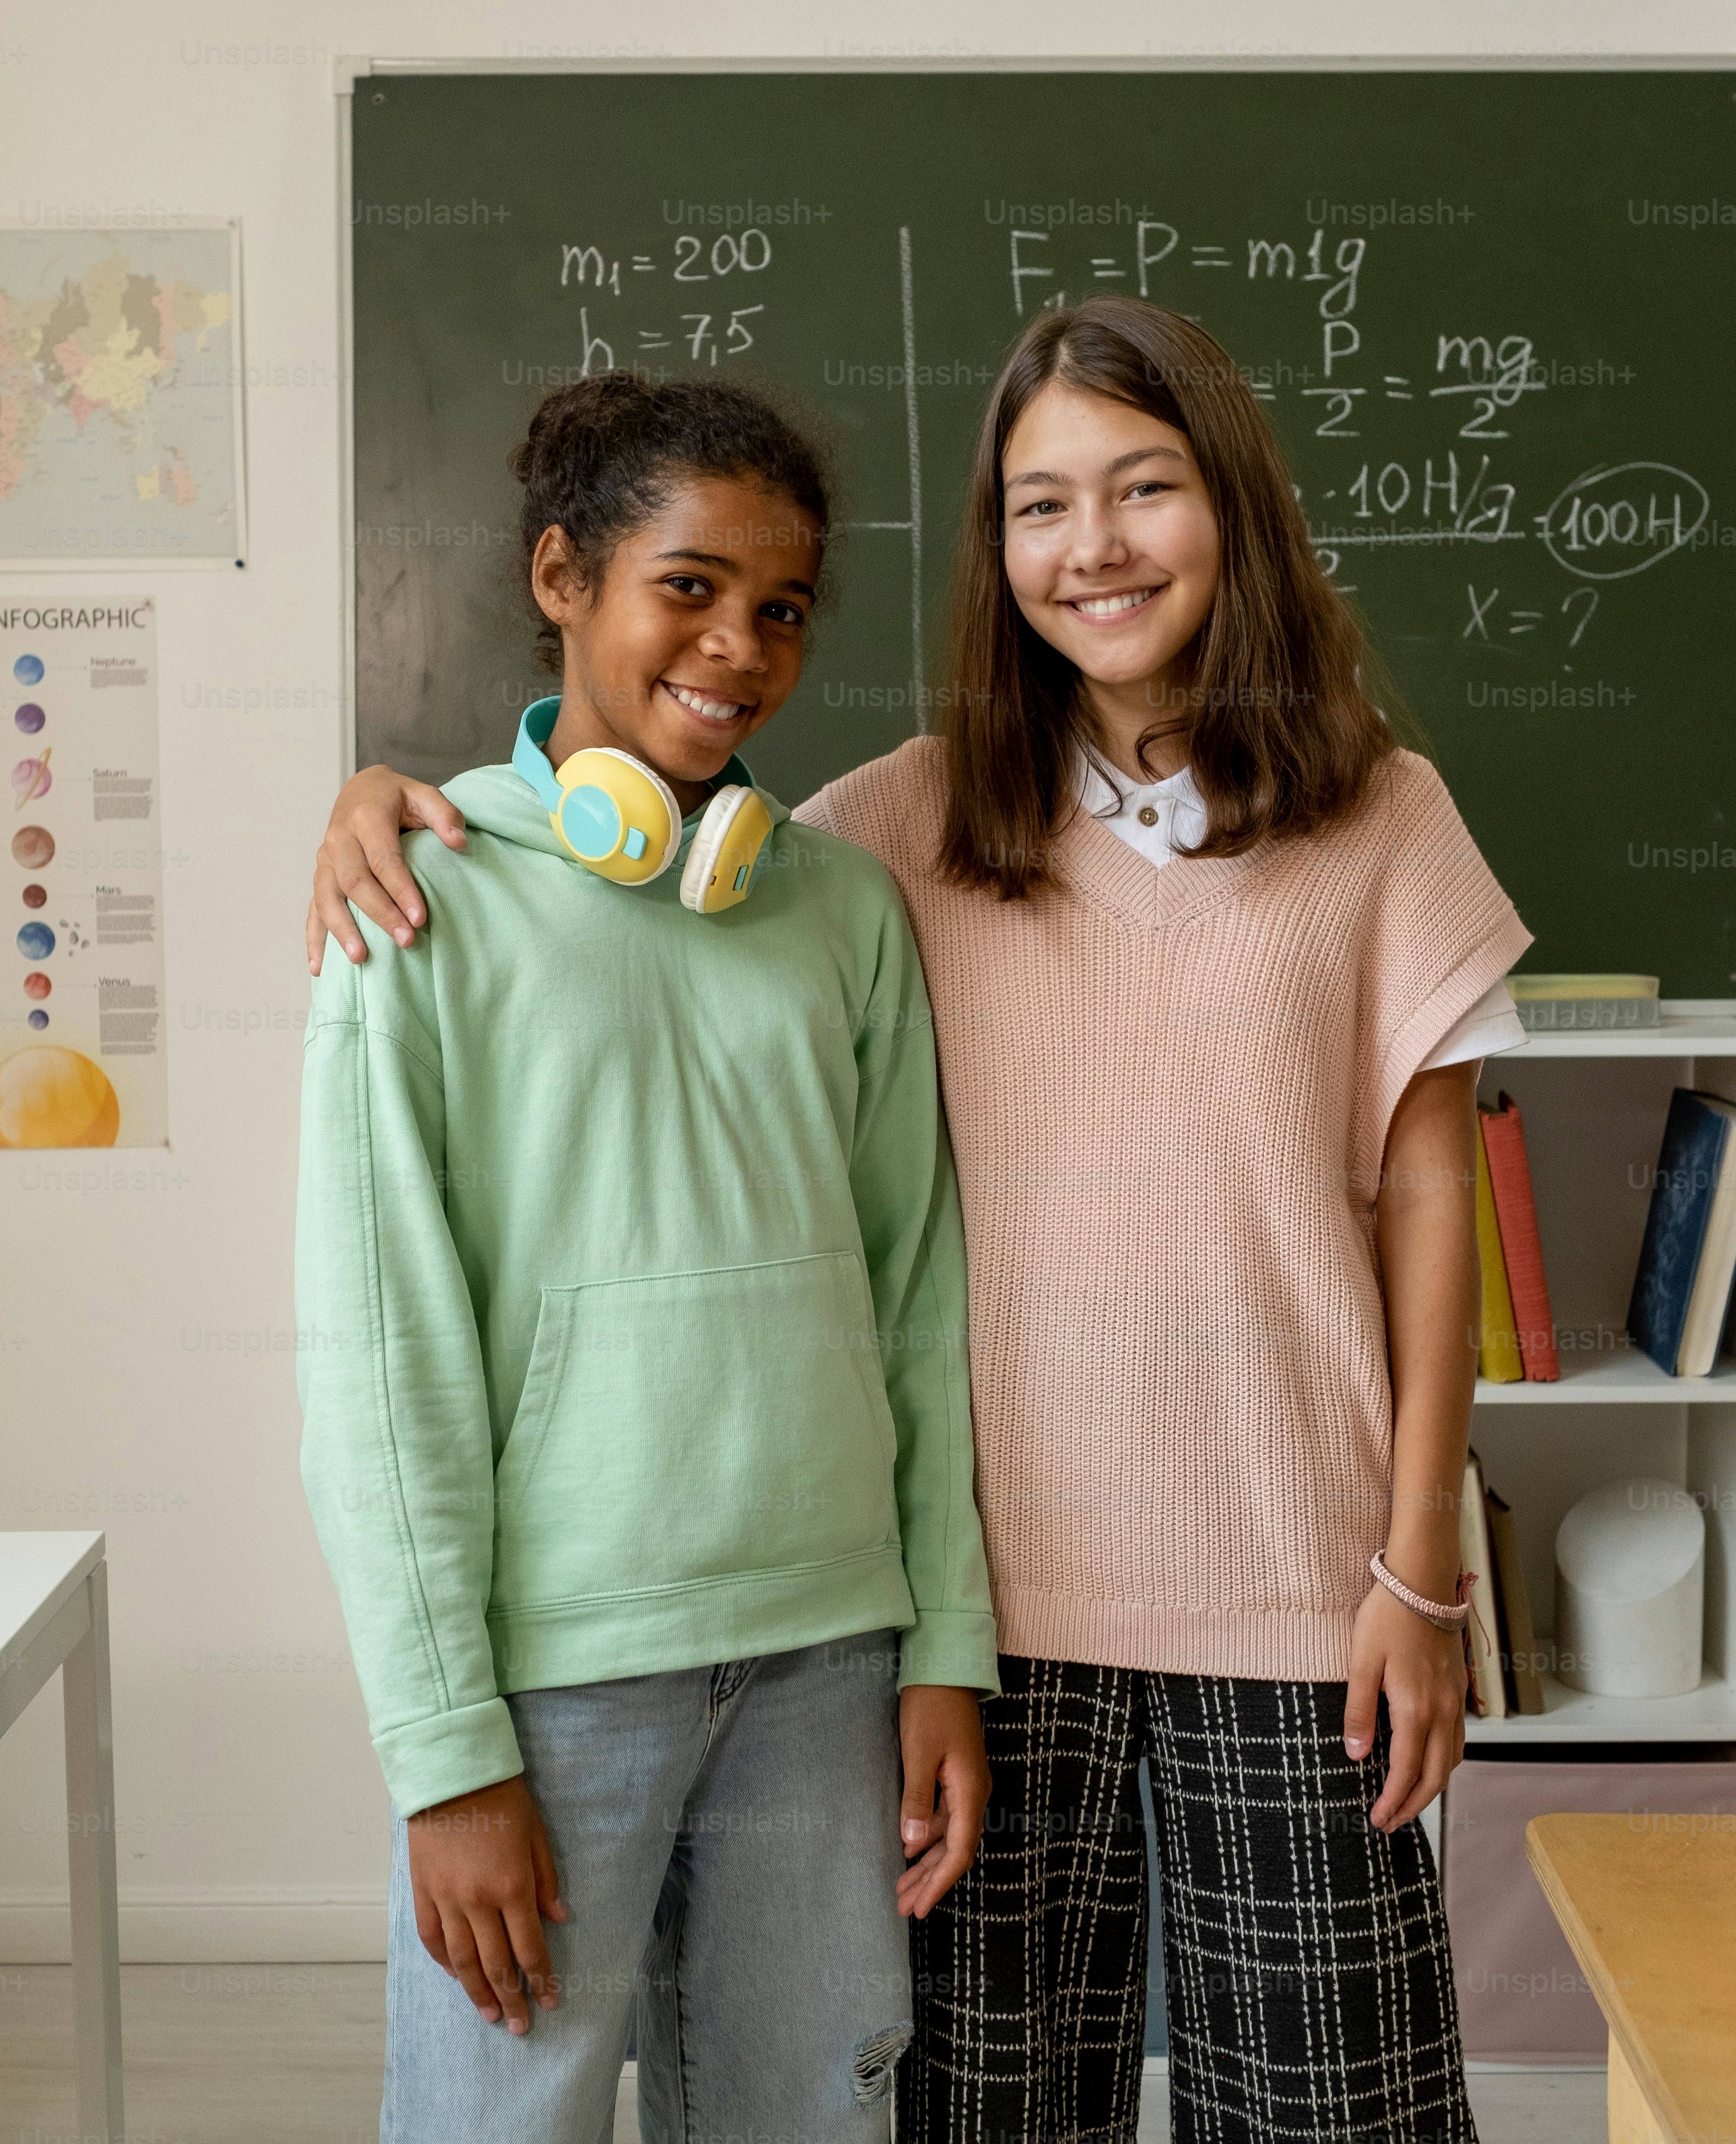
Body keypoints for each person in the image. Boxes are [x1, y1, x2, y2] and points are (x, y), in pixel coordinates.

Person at [304, 297, 1528, 2143]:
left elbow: (1428, 1193)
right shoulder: (893, 833)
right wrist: (378, 798)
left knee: (1328, 2107)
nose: (1094, 546)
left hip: (1254, 1603)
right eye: (1041, 505)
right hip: (982, 1626)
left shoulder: (1368, 818)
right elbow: (634, 841)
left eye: (1145, 488)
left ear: (1236, 508)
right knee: (977, 2112)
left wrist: (1422, 1571)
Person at [296, 369, 999, 2144]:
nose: (739, 647)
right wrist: (446, 1751)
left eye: (780, 610)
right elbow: (381, 1360)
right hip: (557, 1676)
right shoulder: (419, 901)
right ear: (563, 578)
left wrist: (943, 1650)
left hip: (828, 1652)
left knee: (805, 2119)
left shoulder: (841, 910)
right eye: (688, 587)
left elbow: (918, 1303)